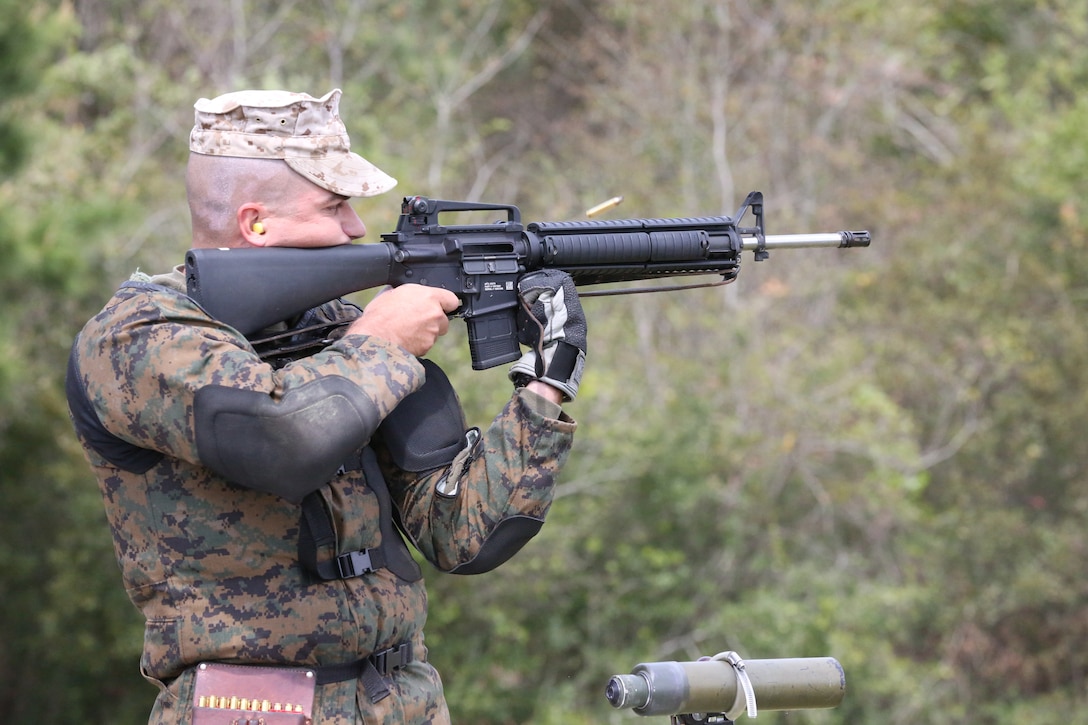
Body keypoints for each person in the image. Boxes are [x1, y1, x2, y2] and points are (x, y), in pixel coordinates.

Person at [65, 88, 587, 724]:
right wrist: (381, 344)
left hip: (402, 700)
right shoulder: (138, 338)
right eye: (335, 206)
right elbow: (285, 441)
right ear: (256, 223)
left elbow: (464, 538)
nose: (357, 229)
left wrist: (546, 381)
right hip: (253, 708)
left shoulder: (339, 330)